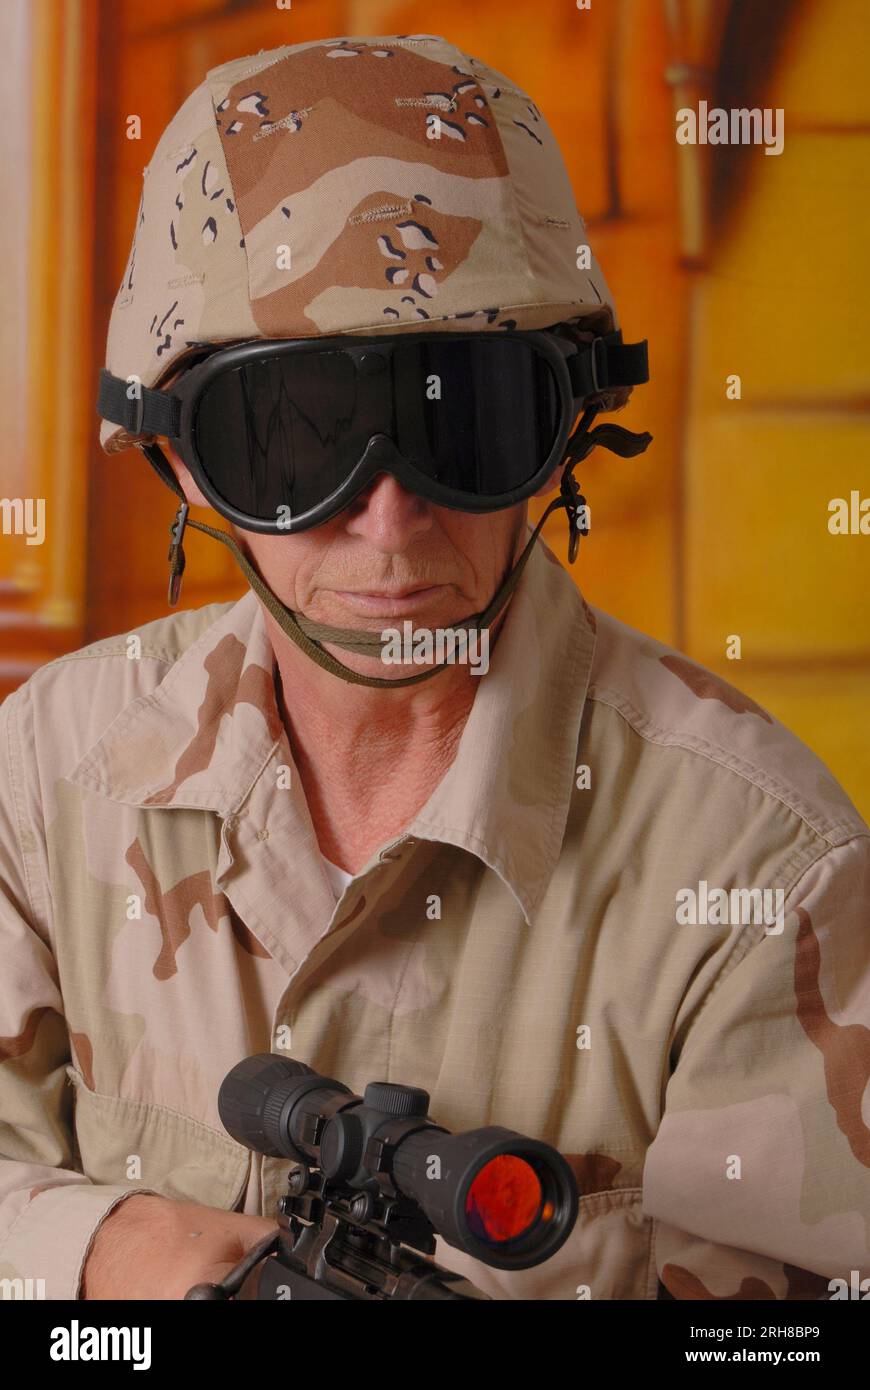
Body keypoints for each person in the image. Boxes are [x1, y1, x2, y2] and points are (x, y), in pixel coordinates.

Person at [0, 32, 867, 1303]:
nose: (391, 521)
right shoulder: (48, 765)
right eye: (295, 440)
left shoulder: (760, 869)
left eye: (464, 413)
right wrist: (121, 1253)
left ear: (567, 429)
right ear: (184, 462)